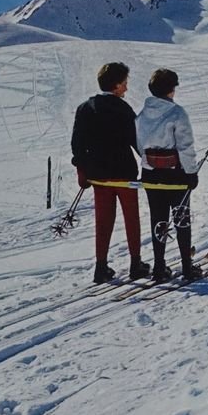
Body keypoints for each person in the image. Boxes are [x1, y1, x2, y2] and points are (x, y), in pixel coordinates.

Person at [71, 62, 150, 283]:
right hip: (124, 172)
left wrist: (82, 168)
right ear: (116, 85)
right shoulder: (123, 109)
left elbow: (77, 143)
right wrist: (151, 165)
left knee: (103, 220)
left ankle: (101, 266)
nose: (126, 87)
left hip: (98, 174)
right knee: (131, 218)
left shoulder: (85, 108)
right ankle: (136, 264)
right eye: (124, 83)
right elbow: (137, 142)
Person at [136, 68, 203, 283]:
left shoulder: (141, 115)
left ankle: (159, 266)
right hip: (176, 175)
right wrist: (191, 173)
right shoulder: (177, 113)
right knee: (181, 218)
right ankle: (186, 266)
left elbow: (140, 146)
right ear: (171, 90)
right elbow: (185, 146)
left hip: (150, 173)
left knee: (158, 219)